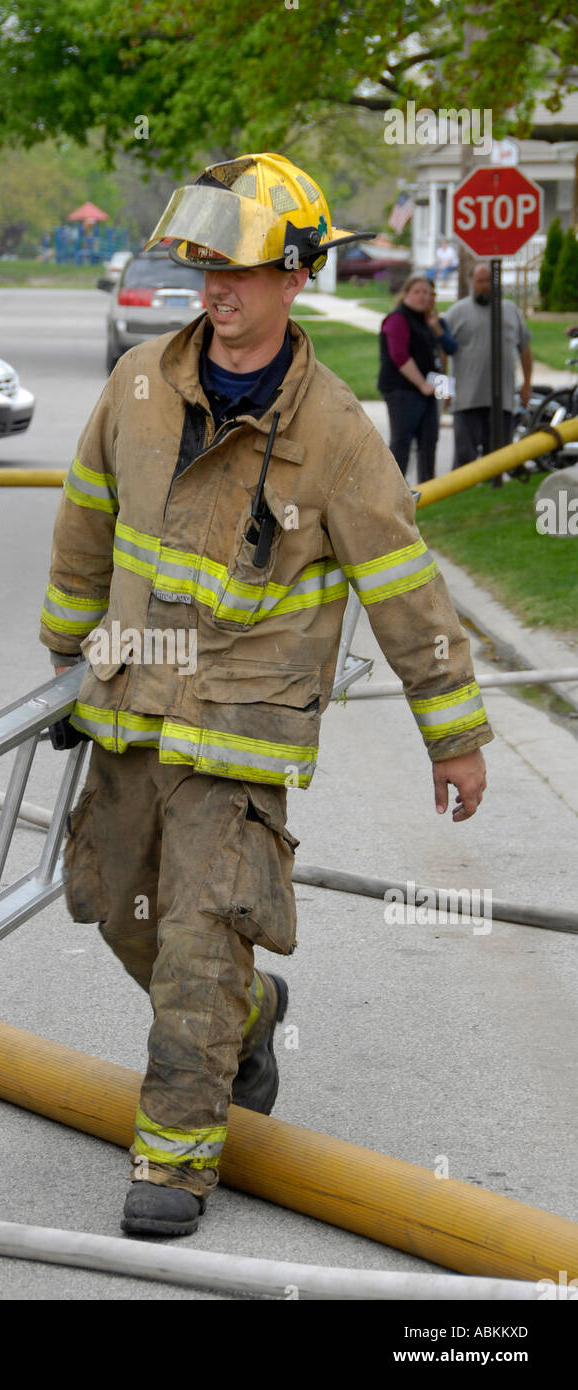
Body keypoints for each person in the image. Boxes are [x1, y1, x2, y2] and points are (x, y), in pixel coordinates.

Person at [39, 152, 493, 1240]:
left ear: (296, 278)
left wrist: (456, 734)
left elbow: (401, 583)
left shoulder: (336, 431)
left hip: (242, 733)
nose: (216, 290)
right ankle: (253, 1013)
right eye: (206, 268)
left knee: (199, 939)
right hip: (130, 707)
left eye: (239, 271)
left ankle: (177, 1162)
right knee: (116, 905)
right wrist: (63, 655)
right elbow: (84, 525)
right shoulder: (140, 385)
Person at [443, 262, 533, 470]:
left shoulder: (511, 311)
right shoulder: (456, 313)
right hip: (467, 401)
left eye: (488, 281)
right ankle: (463, 498)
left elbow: (525, 350)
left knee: (499, 460)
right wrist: (444, 392)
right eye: (480, 281)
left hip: (502, 400)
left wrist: (527, 384)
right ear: (471, 283)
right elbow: (441, 355)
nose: (485, 286)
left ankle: (494, 495)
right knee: (465, 459)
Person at [377, 272, 453, 484]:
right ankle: (394, 491)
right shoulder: (397, 319)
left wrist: (444, 390)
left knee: (429, 441)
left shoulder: (429, 322)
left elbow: (439, 356)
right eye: (418, 292)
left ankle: (428, 489)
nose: (424, 296)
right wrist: (422, 384)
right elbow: (399, 356)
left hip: (428, 391)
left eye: (428, 293)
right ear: (406, 294)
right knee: (402, 442)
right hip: (403, 391)